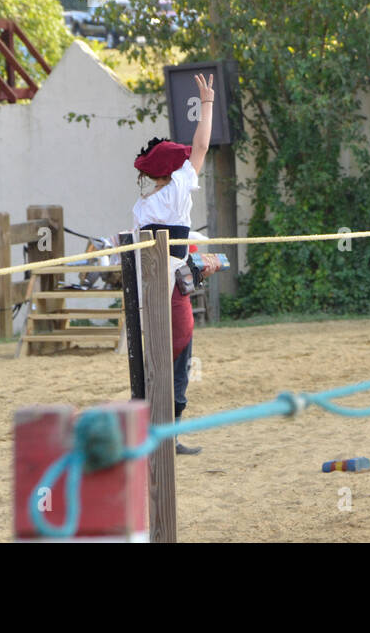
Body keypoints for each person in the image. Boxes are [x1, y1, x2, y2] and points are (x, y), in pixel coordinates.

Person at [132, 73, 221, 456]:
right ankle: (164, 441)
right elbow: (202, 145)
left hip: (149, 292)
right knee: (177, 365)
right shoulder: (180, 188)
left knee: (155, 365)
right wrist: (207, 103)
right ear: (171, 171)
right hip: (171, 294)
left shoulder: (140, 208)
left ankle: (154, 438)